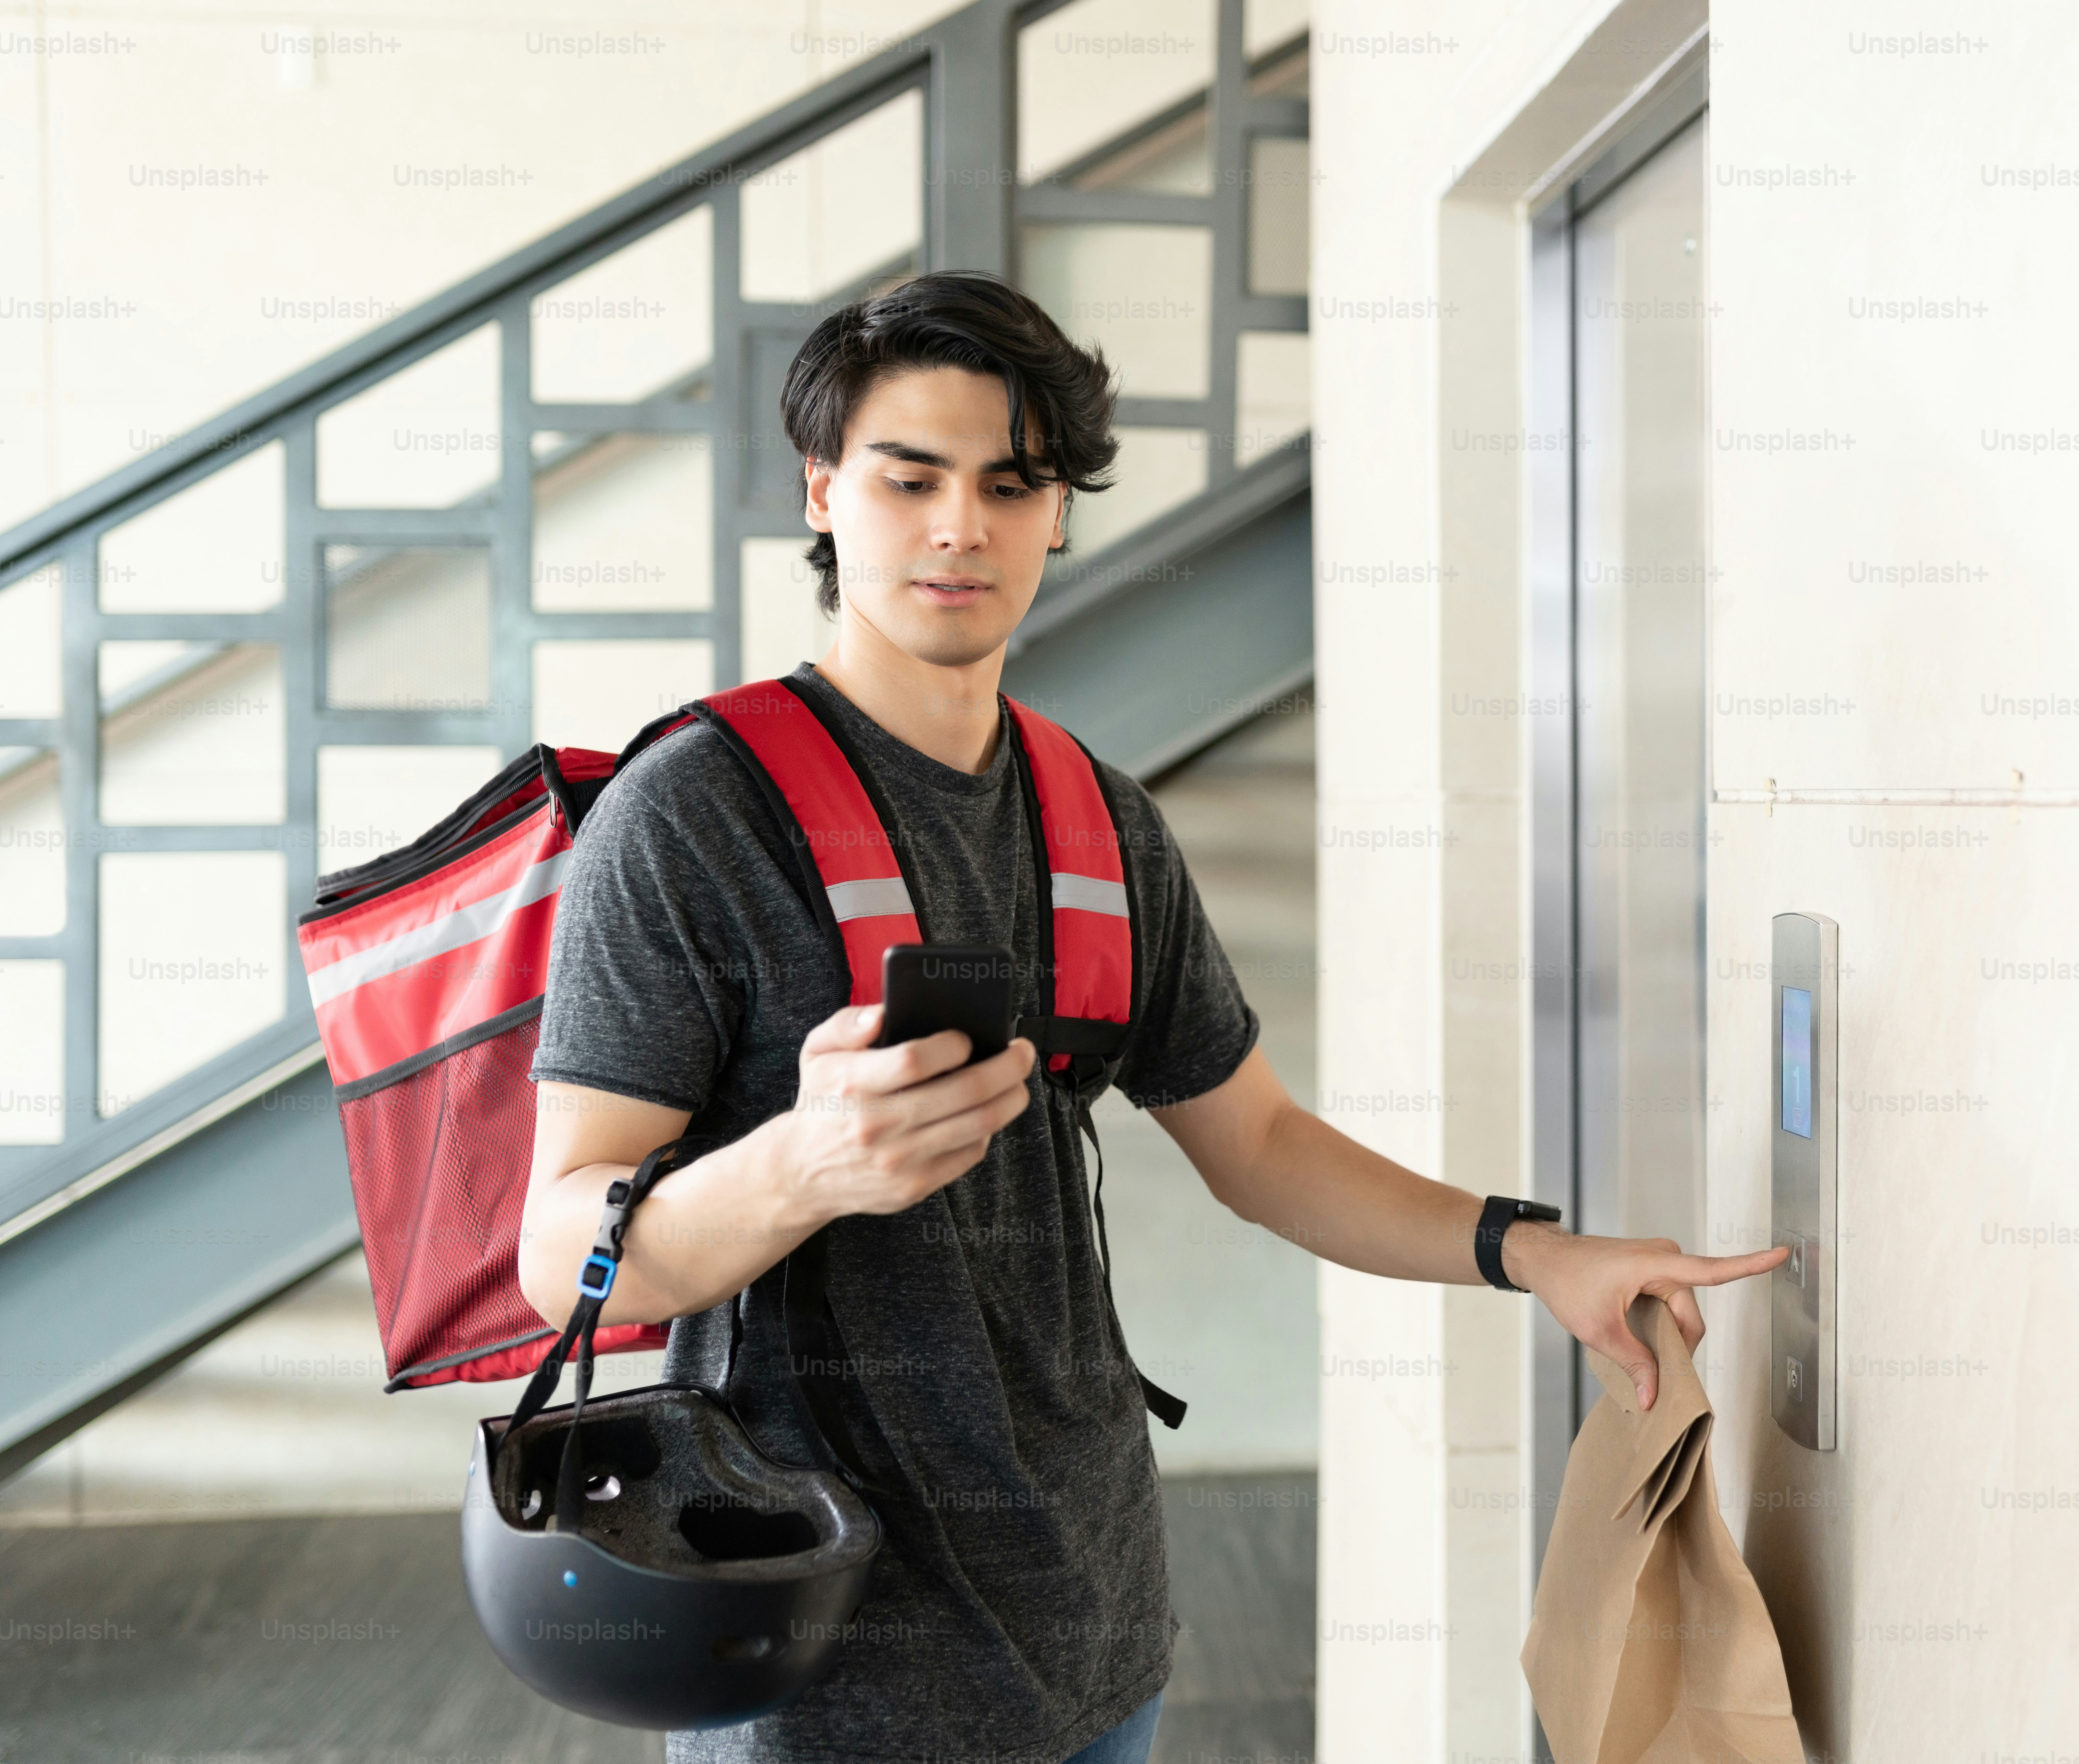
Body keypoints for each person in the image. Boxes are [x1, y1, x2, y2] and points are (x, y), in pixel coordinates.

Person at [517, 269, 1788, 1764]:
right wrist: (803, 1163)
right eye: (908, 475)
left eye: (1011, 482)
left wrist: (1535, 1249)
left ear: (1057, 511)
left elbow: (1257, 1141)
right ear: (822, 491)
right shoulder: (695, 817)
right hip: (827, 1659)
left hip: (1096, 1623)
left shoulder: (1097, 824)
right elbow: (560, 1247)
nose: (958, 525)